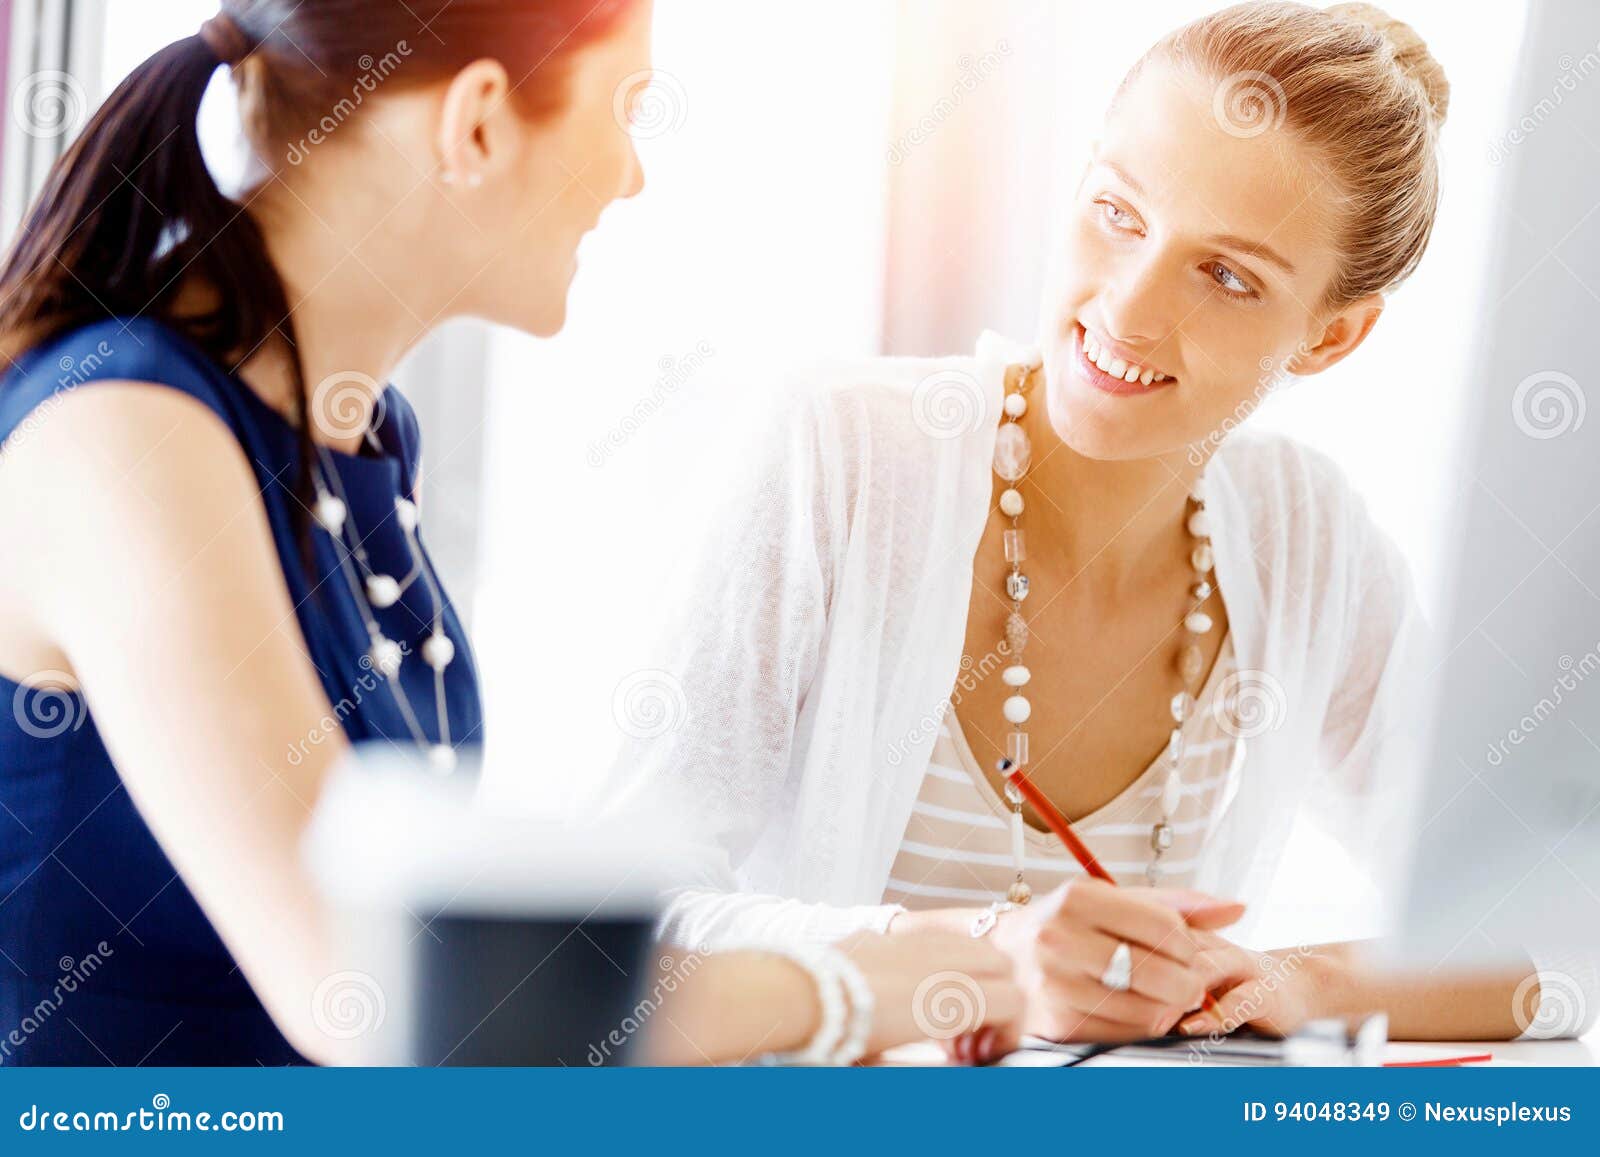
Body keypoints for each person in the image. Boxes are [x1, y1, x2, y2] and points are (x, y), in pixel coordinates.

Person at [0, 0, 1020, 1066]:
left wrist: (930, 950)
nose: (632, 175)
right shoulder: (120, 432)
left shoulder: (367, 440)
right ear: (478, 123)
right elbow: (383, 986)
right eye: (626, 110)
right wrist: (858, 987)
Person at [601, 0, 1597, 1044]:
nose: (1125, 308)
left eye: (1226, 275)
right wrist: (988, 958)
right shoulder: (841, 456)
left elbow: (1561, 927)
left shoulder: (1309, 538)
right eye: (1117, 213)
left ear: (1331, 336)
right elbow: (610, 929)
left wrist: (1298, 980)